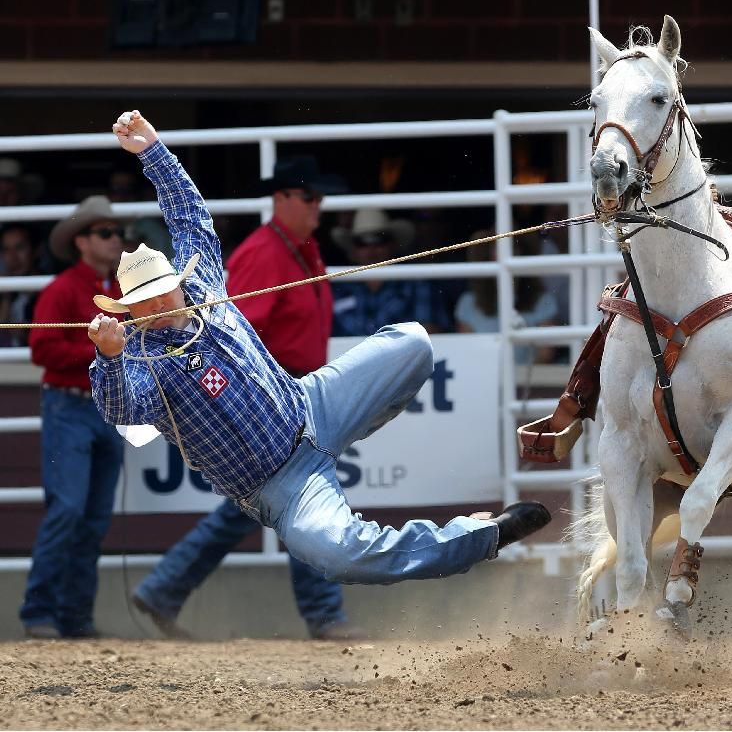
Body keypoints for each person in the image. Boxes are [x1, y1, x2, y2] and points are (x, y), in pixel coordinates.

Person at [88, 110, 550, 596]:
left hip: (311, 404)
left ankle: (177, 588)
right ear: (130, 309)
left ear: (178, 282)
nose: (158, 302)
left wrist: (153, 152)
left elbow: (188, 213)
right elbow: (119, 407)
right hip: (277, 485)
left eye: (163, 289)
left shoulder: (203, 283)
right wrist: (109, 358)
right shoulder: (137, 356)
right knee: (341, 554)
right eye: (145, 299)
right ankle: (478, 537)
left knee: (413, 342)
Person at [131, 156, 358, 641]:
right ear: (282, 200)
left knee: (263, 506)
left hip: (287, 389)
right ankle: (323, 612)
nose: (319, 207)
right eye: (310, 198)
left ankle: (165, 588)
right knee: (304, 498)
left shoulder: (296, 248)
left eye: (320, 198)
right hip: (274, 394)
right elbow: (238, 333)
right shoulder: (267, 252)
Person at [20, 195, 126, 638]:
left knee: (92, 517)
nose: (115, 239)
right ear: (82, 242)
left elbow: (44, 350)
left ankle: (71, 615)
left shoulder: (116, 293)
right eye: (104, 233)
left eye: (115, 232)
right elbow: (41, 349)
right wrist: (99, 351)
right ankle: (44, 612)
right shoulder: (64, 290)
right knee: (69, 511)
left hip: (95, 407)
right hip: (72, 406)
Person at [330, 208, 454, 336]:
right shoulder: (337, 288)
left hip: (403, 356)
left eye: (379, 240)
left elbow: (430, 335)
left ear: (393, 245)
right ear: (353, 251)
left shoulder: (417, 283)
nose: (372, 249)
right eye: (362, 242)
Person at [455, 228, 561, 365]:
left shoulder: (543, 301)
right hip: (483, 381)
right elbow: (467, 353)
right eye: (499, 247)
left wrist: (519, 381)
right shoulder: (468, 303)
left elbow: (546, 354)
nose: (508, 253)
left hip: (530, 383)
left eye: (513, 246)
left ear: (521, 253)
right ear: (488, 254)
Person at [0, 223, 42, 348]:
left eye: (19, 248)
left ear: (36, 250)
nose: (13, 257)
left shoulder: (47, 288)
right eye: (6, 249)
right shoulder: (3, 289)